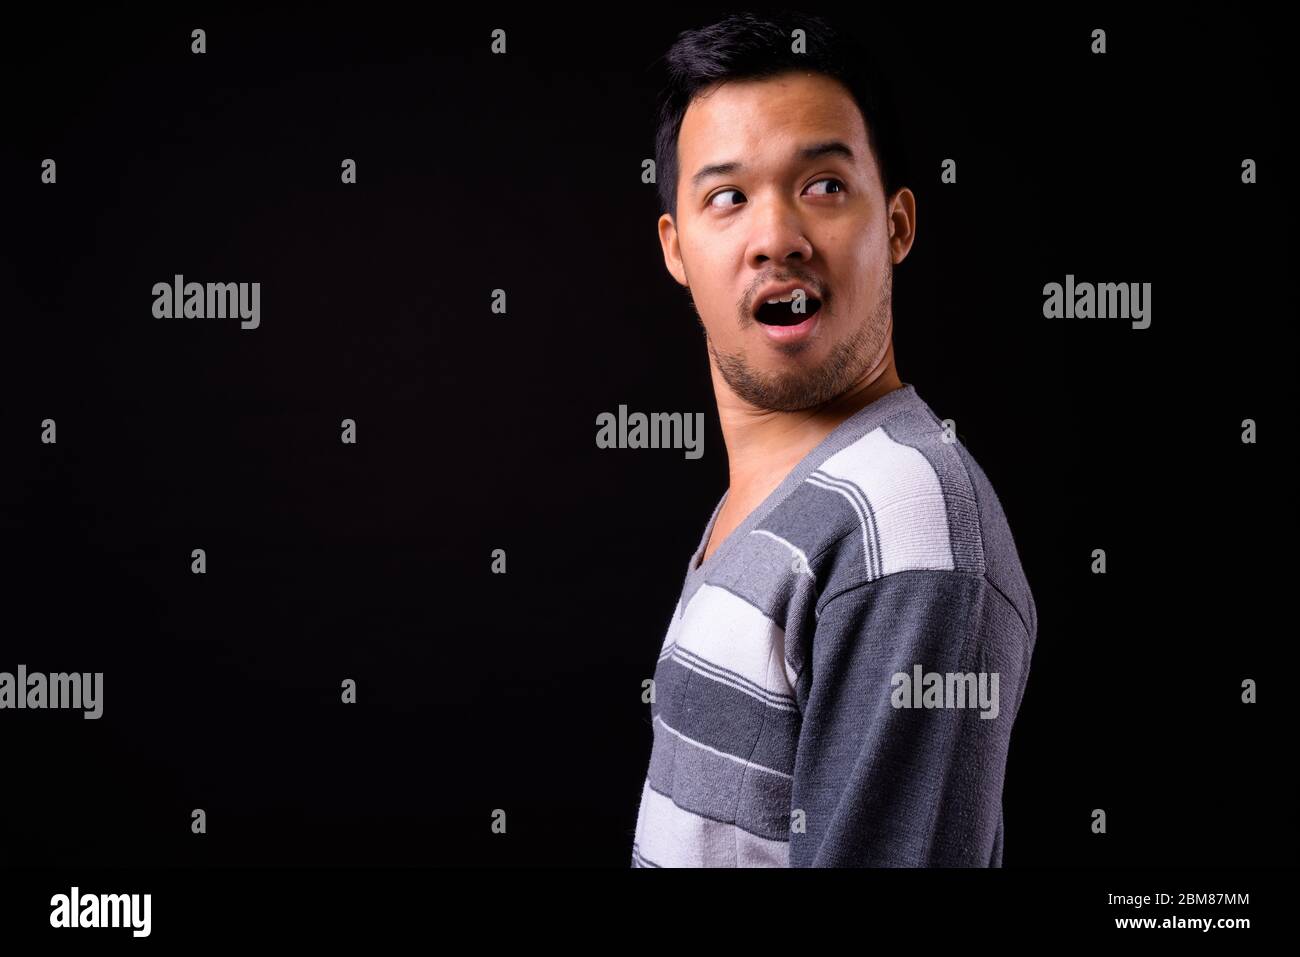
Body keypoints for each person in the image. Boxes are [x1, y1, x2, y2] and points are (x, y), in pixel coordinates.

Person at [631, 11, 1037, 867]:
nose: (776, 237)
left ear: (896, 226)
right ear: (677, 247)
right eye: (727, 197)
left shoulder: (903, 521)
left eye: (822, 186)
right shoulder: (788, 501)